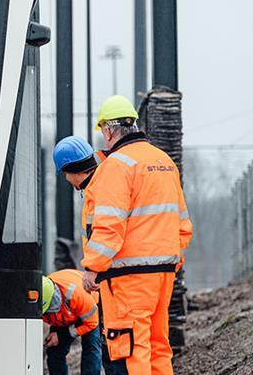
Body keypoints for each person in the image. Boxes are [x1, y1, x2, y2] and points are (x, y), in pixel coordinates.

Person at [80, 95, 193, 375]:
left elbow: (109, 226)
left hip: (128, 278)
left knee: (132, 348)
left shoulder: (116, 166)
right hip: (164, 274)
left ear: (108, 130)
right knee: (158, 346)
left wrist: (93, 268)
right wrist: (172, 261)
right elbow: (182, 223)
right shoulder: (164, 162)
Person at [42, 270, 101, 375]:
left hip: (88, 314)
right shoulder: (43, 293)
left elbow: (92, 324)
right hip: (65, 314)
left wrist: (61, 335)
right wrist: (57, 334)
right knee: (54, 351)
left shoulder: (77, 295)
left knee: (91, 347)